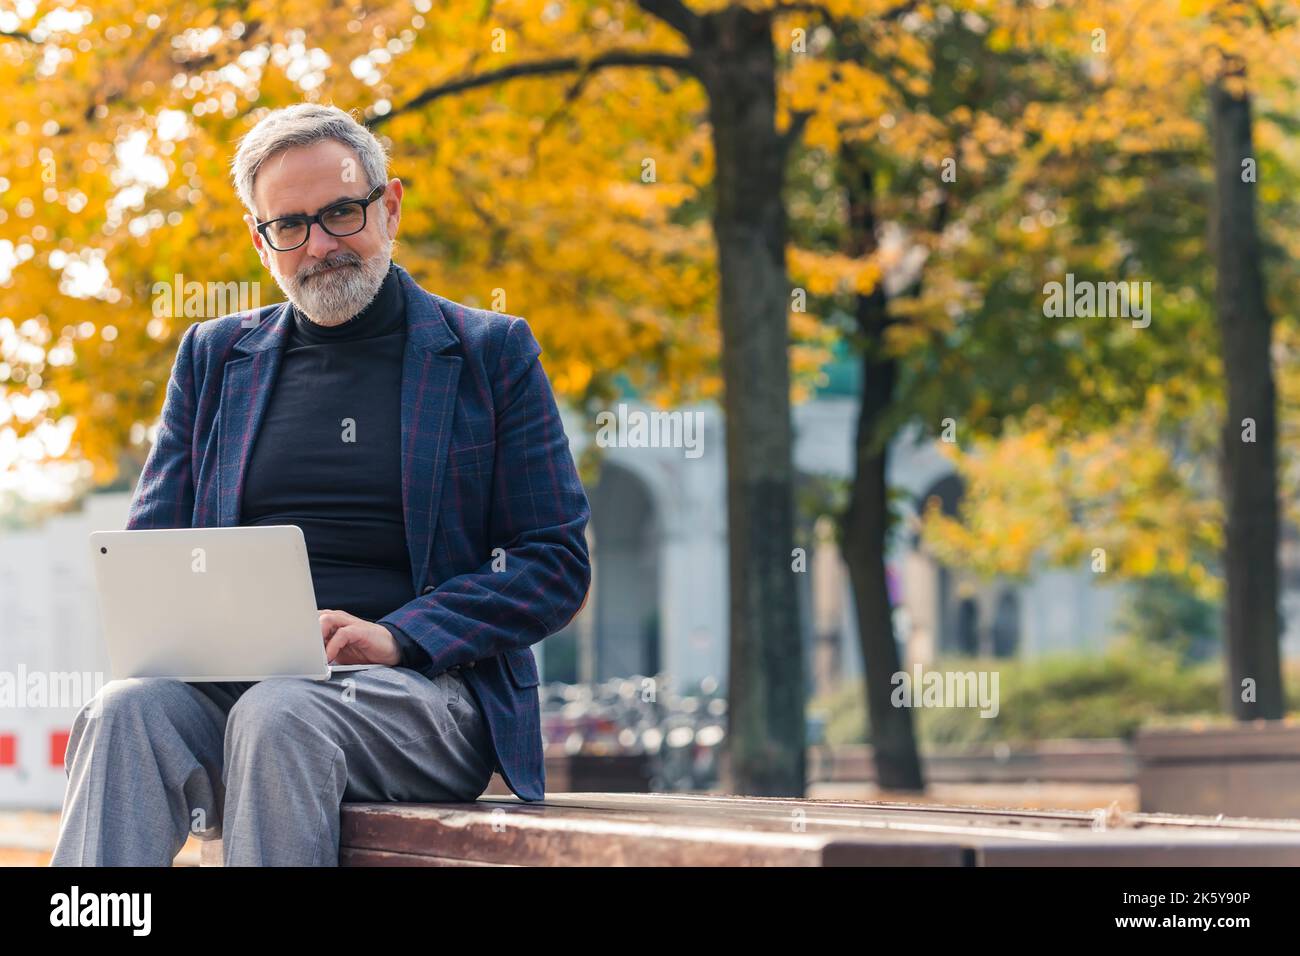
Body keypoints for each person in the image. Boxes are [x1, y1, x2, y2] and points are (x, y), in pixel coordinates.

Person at [50, 103, 592, 866]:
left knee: (281, 715)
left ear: (389, 204)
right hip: (238, 689)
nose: (321, 246)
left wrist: (400, 636)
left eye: (341, 213)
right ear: (261, 240)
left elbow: (552, 561)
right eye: (291, 226)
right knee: (123, 714)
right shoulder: (213, 357)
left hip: (428, 696)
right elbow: (155, 555)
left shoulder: (489, 352)